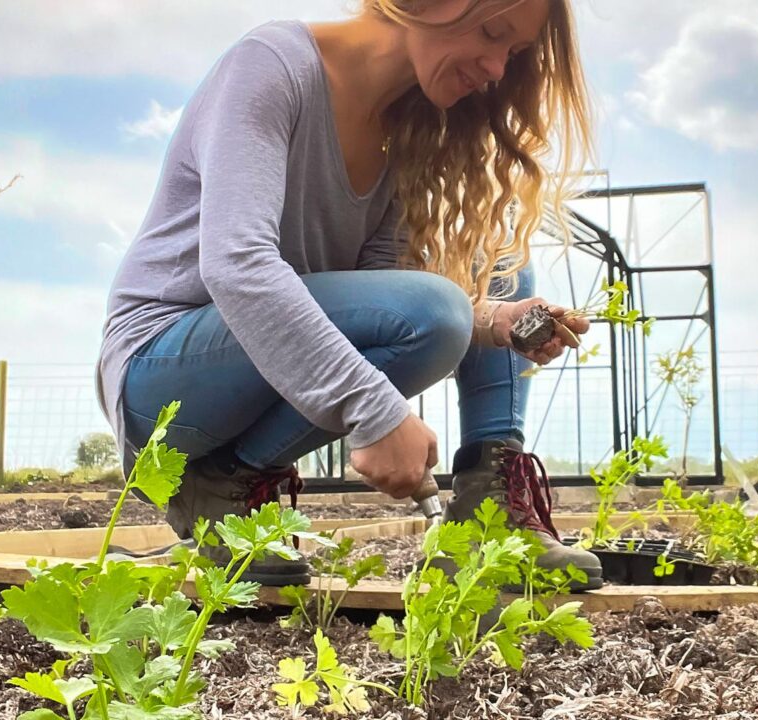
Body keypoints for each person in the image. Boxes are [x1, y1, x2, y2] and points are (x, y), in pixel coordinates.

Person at [96, 0, 604, 588]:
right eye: (492, 33)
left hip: (254, 379)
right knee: (434, 311)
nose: (495, 69)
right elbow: (237, 266)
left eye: (512, 54)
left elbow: (382, 299)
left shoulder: (399, 134)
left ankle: (484, 510)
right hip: (162, 376)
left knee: (500, 260)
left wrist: (494, 320)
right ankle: (218, 480)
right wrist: (378, 412)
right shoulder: (272, 66)